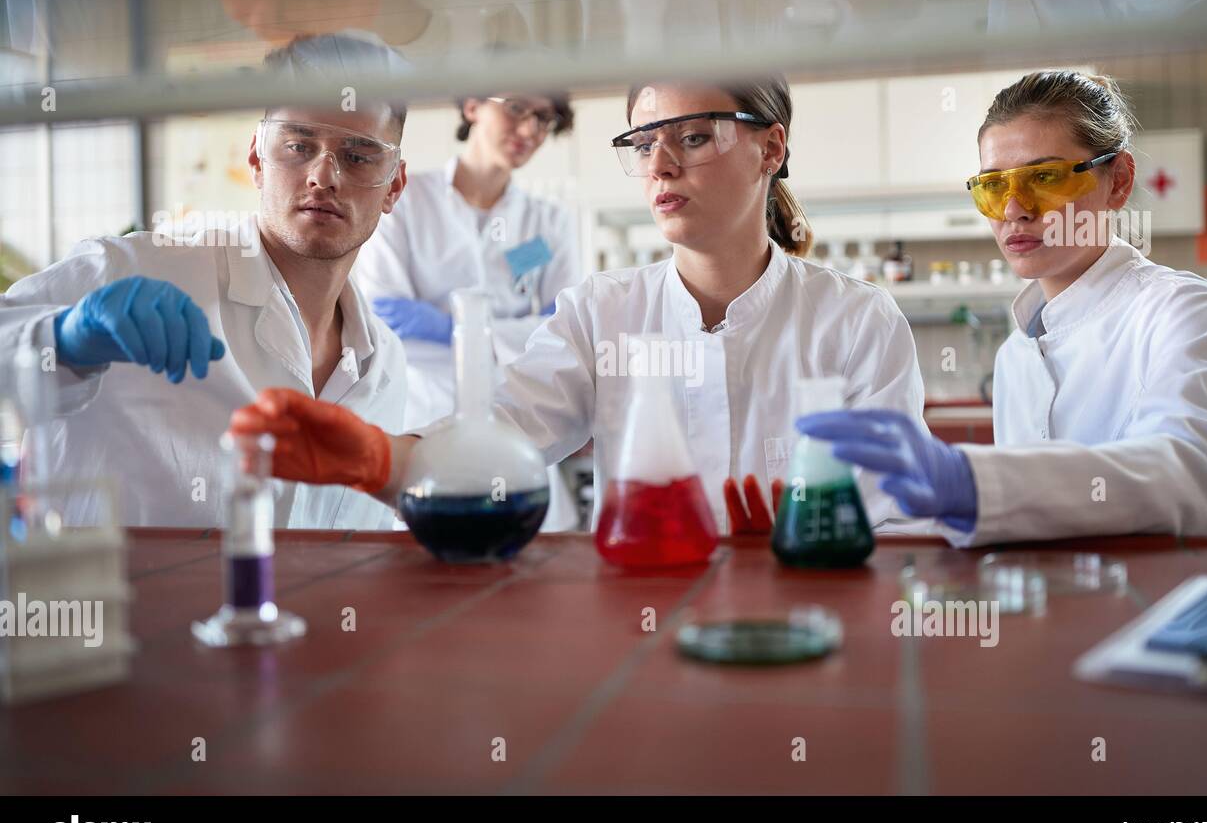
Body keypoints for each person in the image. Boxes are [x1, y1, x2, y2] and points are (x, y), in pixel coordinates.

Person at [230, 75, 926, 536]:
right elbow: (502, 435)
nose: (659, 167)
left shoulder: (857, 321)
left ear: (771, 145)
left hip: (808, 624)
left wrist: (799, 544)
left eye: (691, 137)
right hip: (642, 622)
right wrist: (380, 457)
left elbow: (893, 514)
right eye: (643, 144)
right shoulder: (604, 313)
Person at [798, 69, 1207, 544]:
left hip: (1201, 619)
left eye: (1046, 177)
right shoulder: (1016, 355)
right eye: (994, 186)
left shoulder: (1184, 311)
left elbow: (1192, 476)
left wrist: (972, 482)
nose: (1015, 209)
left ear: (1118, 181)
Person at [0, 34, 410, 529]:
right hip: (114, 606)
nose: (323, 176)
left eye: (359, 155)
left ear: (394, 186)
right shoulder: (133, 268)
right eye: (299, 146)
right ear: (257, 160)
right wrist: (63, 341)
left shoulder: (383, 366)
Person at [353, 92, 582, 530]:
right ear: (473, 105)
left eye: (544, 119)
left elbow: (562, 324)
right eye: (517, 108)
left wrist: (467, 331)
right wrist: (509, 336)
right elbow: (388, 309)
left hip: (511, 421)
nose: (531, 130)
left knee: (526, 567)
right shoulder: (403, 199)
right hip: (421, 413)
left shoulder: (547, 222)